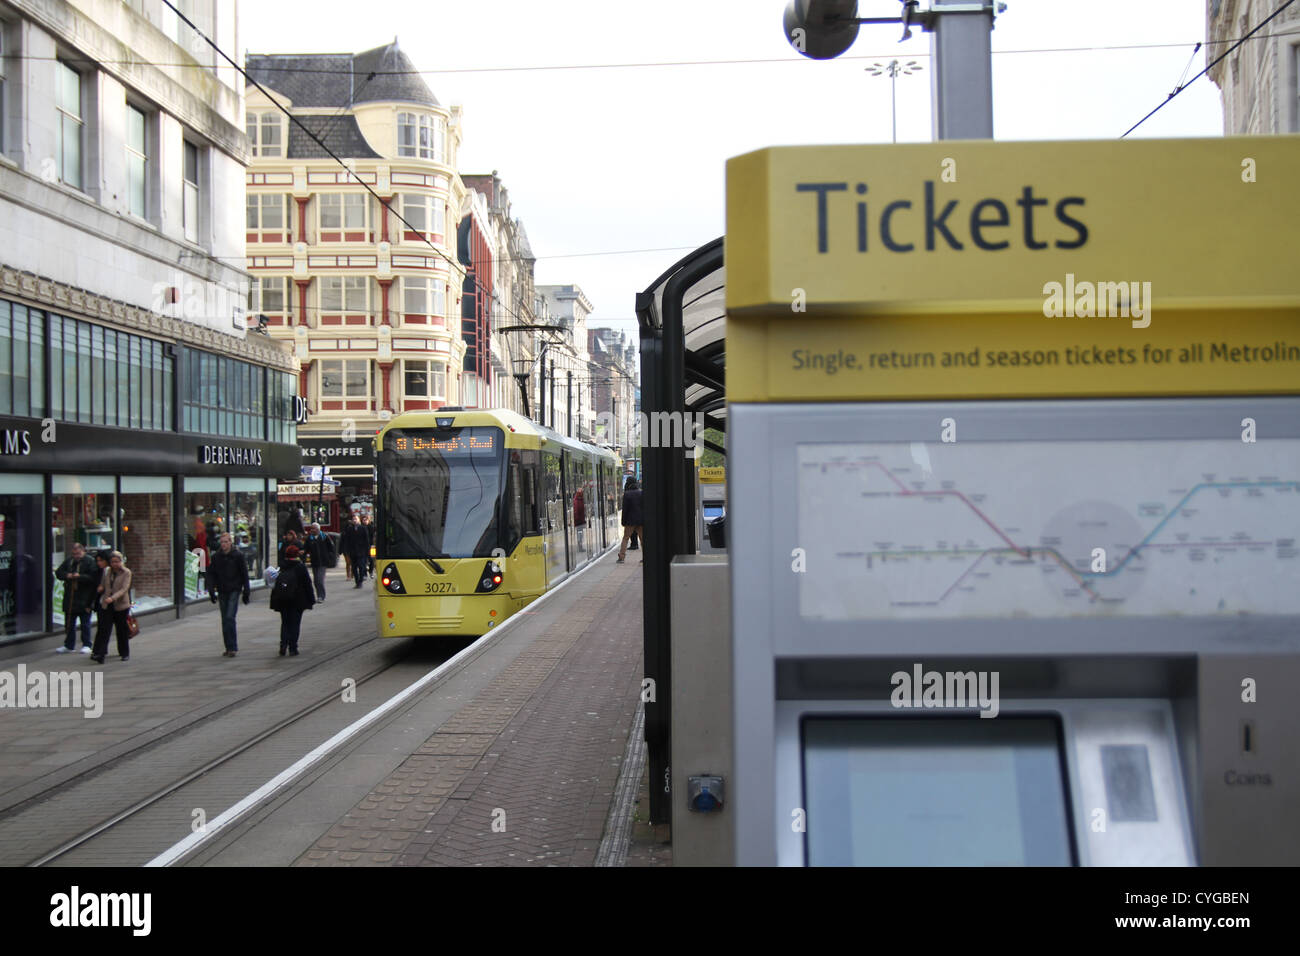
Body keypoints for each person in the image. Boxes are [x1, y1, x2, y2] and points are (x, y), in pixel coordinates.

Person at [206, 532, 251, 658]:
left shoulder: (238, 556)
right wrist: (211, 590)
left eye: (226, 542)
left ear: (230, 542)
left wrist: (246, 591)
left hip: (234, 589)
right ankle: (228, 646)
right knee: (225, 619)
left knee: (230, 617)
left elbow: (244, 574)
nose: (224, 544)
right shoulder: (216, 557)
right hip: (222, 590)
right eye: (222, 542)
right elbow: (211, 574)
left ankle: (232, 647)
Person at [269, 544, 315, 656]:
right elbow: (307, 584)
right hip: (297, 600)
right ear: (297, 554)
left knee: (285, 622)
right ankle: (293, 647)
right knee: (295, 623)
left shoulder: (281, 566)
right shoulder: (300, 567)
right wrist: (311, 598)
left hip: (283, 599)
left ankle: (283, 644)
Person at [53, 542, 97, 654]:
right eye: (74, 554)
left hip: (84, 597)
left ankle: (87, 644)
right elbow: (59, 572)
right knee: (69, 623)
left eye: (78, 553)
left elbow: (93, 577)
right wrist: (67, 575)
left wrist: (80, 577)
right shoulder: (69, 561)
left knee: (85, 623)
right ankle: (69, 645)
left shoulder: (90, 561)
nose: (76, 556)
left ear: (83, 551)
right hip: (70, 597)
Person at [91, 551, 133, 663]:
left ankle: (124, 653)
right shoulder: (108, 571)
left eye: (117, 562)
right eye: (112, 562)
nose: (114, 564)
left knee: (121, 629)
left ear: (121, 561)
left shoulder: (126, 572)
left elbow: (124, 589)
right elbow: (105, 583)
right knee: (105, 629)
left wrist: (113, 598)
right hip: (107, 604)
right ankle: (101, 653)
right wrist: (101, 587)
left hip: (121, 605)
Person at [301, 523, 332, 602]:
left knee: (319, 579)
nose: (311, 530)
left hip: (323, 562)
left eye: (313, 528)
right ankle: (319, 595)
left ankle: (321, 596)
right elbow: (306, 549)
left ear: (318, 529)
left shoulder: (324, 537)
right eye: (311, 528)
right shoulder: (310, 538)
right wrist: (303, 555)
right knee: (315, 580)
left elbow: (331, 547)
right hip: (314, 562)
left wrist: (329, 557)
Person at [617, 478, 644, 564]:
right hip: (641, 521)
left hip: (630, 521)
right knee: (643, 539)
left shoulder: (627, 494)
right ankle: (645, 557)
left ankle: (621, 557)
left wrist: (623, 521)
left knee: (625, 538)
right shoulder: (641, 493)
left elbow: (625, 510)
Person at [341, 514, 370, 588]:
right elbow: (347, 540)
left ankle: (360, 581)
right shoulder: (349, 529)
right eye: (353, 519)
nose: (354, 520)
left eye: (356, 519)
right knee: (354, 568)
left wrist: (367, 551)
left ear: (358, 520)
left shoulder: (363, 528)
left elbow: (366, 540)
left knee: (361, 566)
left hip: (361, 551)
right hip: (352, 552)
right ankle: (357, 582)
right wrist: (347, 550)